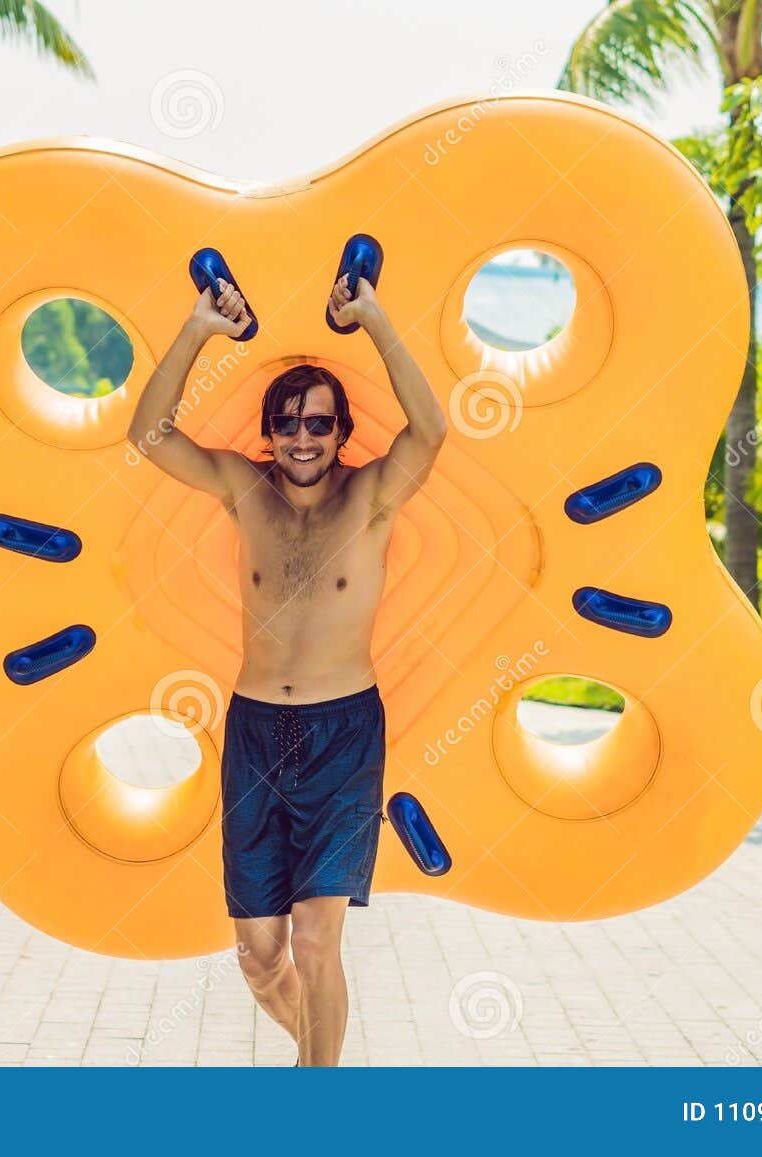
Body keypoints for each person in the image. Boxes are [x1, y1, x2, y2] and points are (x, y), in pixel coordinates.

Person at [125, 271, 447, 1065]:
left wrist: (372, 314)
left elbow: (431, 431)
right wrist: (199, 327)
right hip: (256, 730)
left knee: (313, 936)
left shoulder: (372, 496)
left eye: (320, 423)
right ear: (271, 430)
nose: (304, 437)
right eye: (290, 422)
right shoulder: (244, 487)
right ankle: (317, 1057)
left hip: (343, 733)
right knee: (260, 955)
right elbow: (149, 437)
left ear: (342, 432)